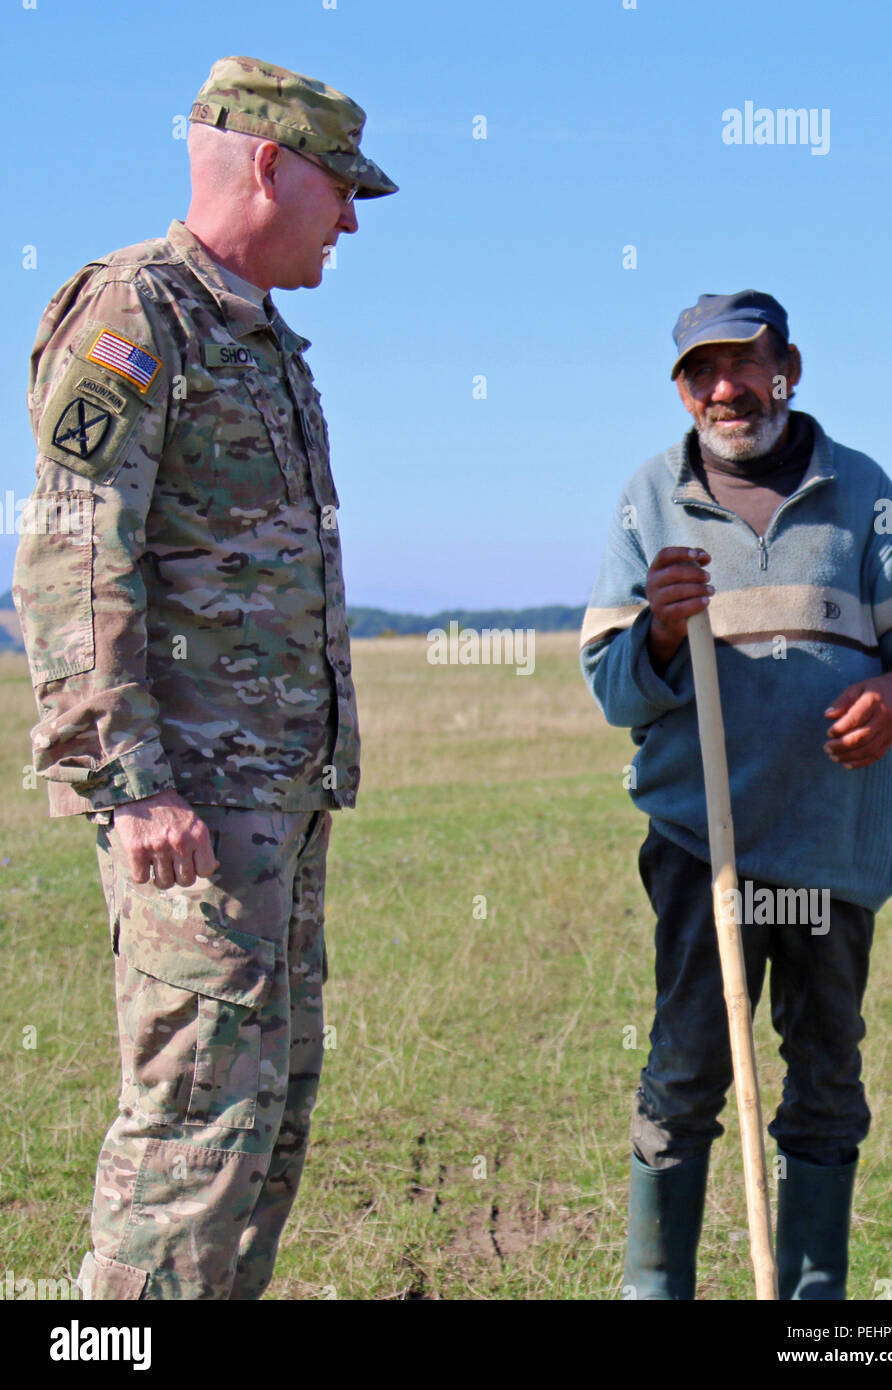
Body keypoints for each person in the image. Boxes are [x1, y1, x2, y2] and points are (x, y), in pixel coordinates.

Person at [12, 55, 397, 1301]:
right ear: (270, 164)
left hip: (269, 807)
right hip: (189, 816)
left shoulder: (260, 335)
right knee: (187, 1136)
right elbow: (73, 549)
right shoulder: (139, 313)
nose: (349, 219)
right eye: (341, 188)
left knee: (262, 1128)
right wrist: (127, 786)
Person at [579, 290, 892, 1300]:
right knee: (688, 1065)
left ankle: (811, 1303)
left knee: (825, 1071)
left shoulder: (859, 488)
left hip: (834, 842)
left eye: (743, 363)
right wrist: (656, 633)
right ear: (679, 388)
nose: (725, 388)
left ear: (787, 366)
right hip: (705, 845)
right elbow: (612, 686)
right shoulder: (646, 499)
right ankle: (653, 1287)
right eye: (701, 370)